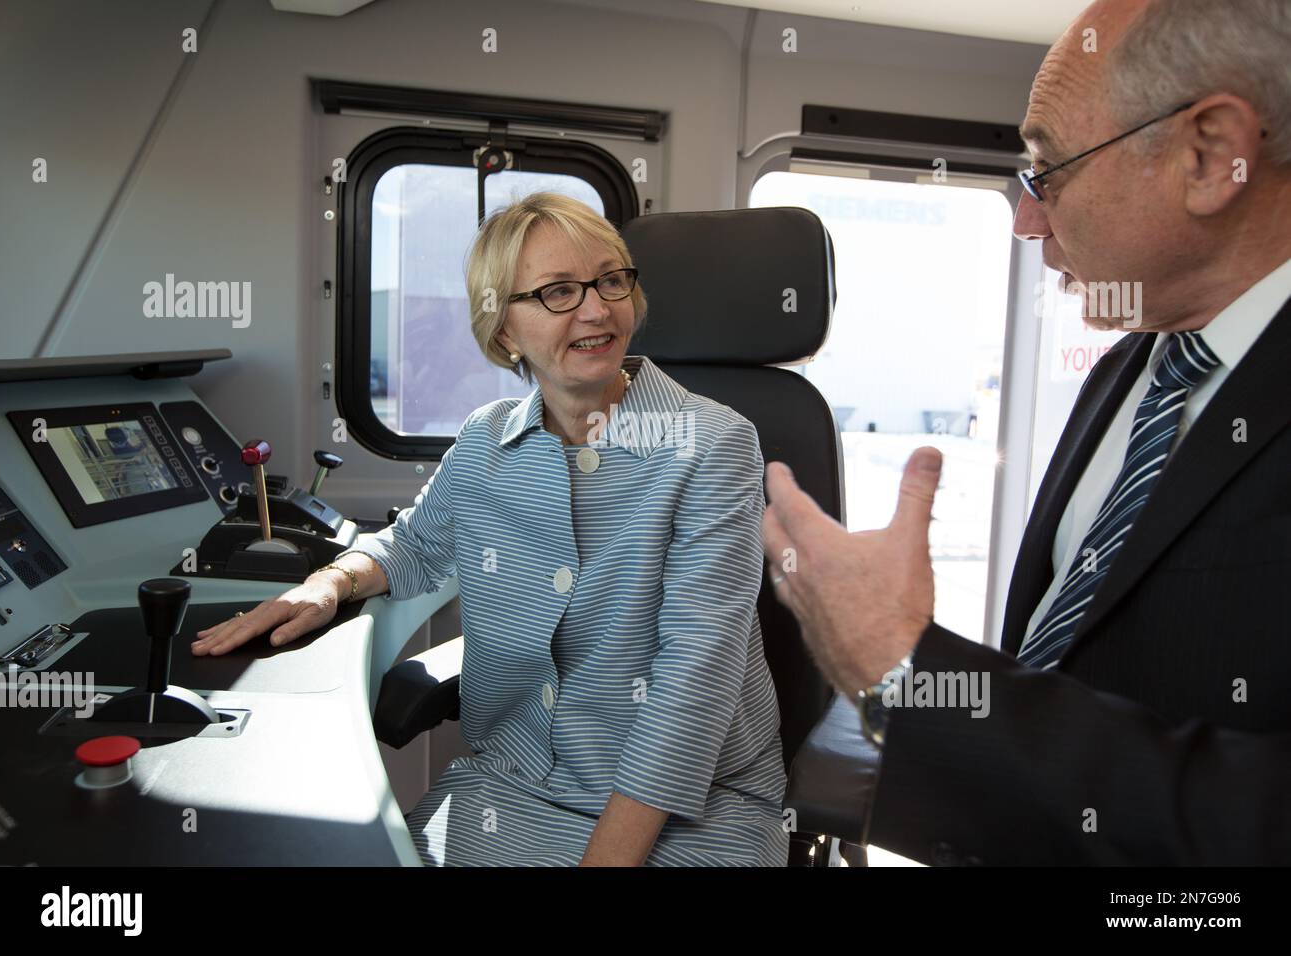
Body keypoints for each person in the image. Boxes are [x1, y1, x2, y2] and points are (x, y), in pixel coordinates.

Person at [762, 0, 1291, 864]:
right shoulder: (1132, 363)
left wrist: (903, 664)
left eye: (1048, 168)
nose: (1024, 219)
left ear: (1210, 157)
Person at [194, 192, 789, 867]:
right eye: (559, 291)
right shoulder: (487, 441)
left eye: (611, 280)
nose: (597, 310)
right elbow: (412, 546)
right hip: (515, 785)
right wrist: (328, 583)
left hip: (693, 805)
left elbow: (696, 677)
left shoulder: (712, 443)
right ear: (504, 330)